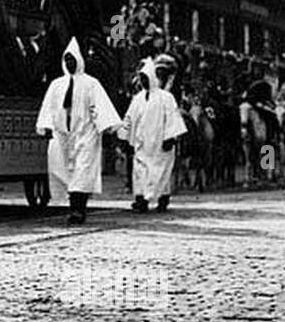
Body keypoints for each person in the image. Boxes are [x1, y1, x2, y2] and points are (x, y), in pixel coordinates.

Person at [37, 37, 122, 225]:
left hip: (85, 134)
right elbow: (48, 107)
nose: (70, 63)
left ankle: (78, 209)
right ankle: (71, 204)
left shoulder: (91, 84)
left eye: (73, 59)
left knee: (82, 171)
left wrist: (107, 127)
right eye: (67, 60)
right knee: (63, 170)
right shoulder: (56, 85)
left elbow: (100, 107)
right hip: (62, 135)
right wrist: (46, 127)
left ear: (79, 61)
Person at [119, 57, 188, 213]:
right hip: (142, 143)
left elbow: (172, 117)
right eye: (141, 78)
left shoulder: (166, 97)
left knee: (160, 172)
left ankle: (163, 198)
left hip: (160, 143)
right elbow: (130, 118)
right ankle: (141, 199)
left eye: (146, 78)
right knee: (140, 172)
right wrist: (125, 136)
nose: (143, 81)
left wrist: (170, 136)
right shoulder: (137, 99)